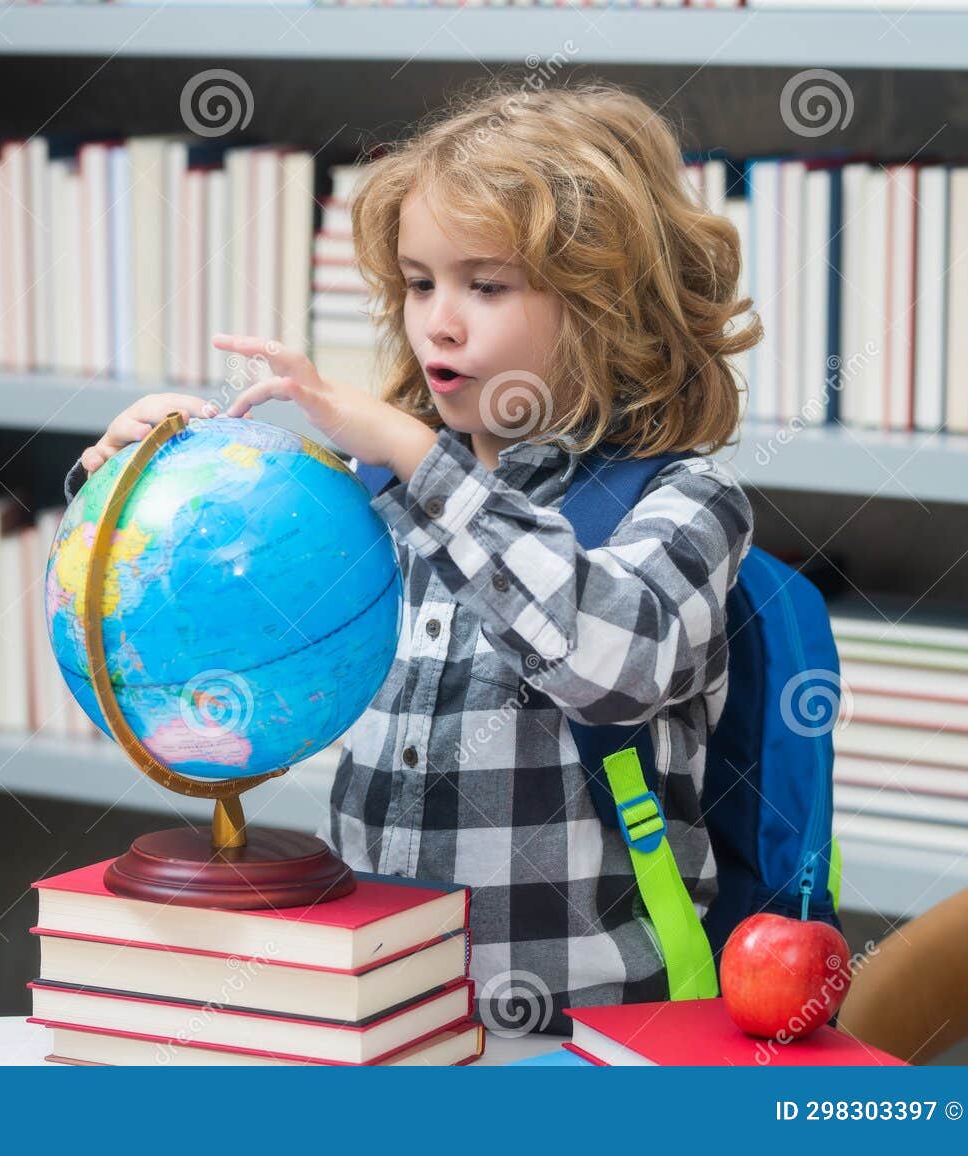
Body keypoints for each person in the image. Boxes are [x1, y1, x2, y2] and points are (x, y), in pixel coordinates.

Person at [65, 80, 763, 1036]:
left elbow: (615, 663)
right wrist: (132, 497)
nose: (438, 319)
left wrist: (416, 461)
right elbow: (214, 610)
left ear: (610, 307)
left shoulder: (683, 502)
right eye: (420, 281)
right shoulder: (364, 499)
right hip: (381, 1019)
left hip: (583, 1036)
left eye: (487, 284)